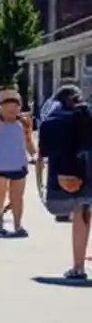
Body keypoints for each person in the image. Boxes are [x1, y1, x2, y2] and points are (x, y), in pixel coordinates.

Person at [38, 85, 92, 280]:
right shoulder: (87, 115)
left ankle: (78, 267)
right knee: (85, 215)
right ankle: (79, 266)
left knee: (80, 215)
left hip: (67, 174)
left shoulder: (53, 120)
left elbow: (43, 153)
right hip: (89, 170)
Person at [0, 88, 37, 236]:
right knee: (0, 196)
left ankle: (18, 225)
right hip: (0, 164)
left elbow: (28, 142)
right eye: (8, 108)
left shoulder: (24, 123)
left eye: (15, 108)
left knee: (17, 197)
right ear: (1, 107)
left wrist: (35, 156)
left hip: (19, 164)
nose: (12, 112)